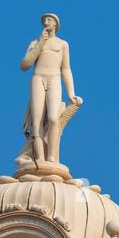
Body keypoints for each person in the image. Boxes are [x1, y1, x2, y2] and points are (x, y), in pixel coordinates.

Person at [19, 13, 82, 166]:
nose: (46, 22)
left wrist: (71, 93)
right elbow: (25, 64)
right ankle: (39, 158)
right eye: (45, 20)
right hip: (38, 78)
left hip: (54, 79)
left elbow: (66, 69)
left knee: (53, 118)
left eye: (49, 20)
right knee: (37, 121)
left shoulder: (62, 44)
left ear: (55, 24)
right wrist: (41, 43)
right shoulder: (35, 42)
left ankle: (52, 157)